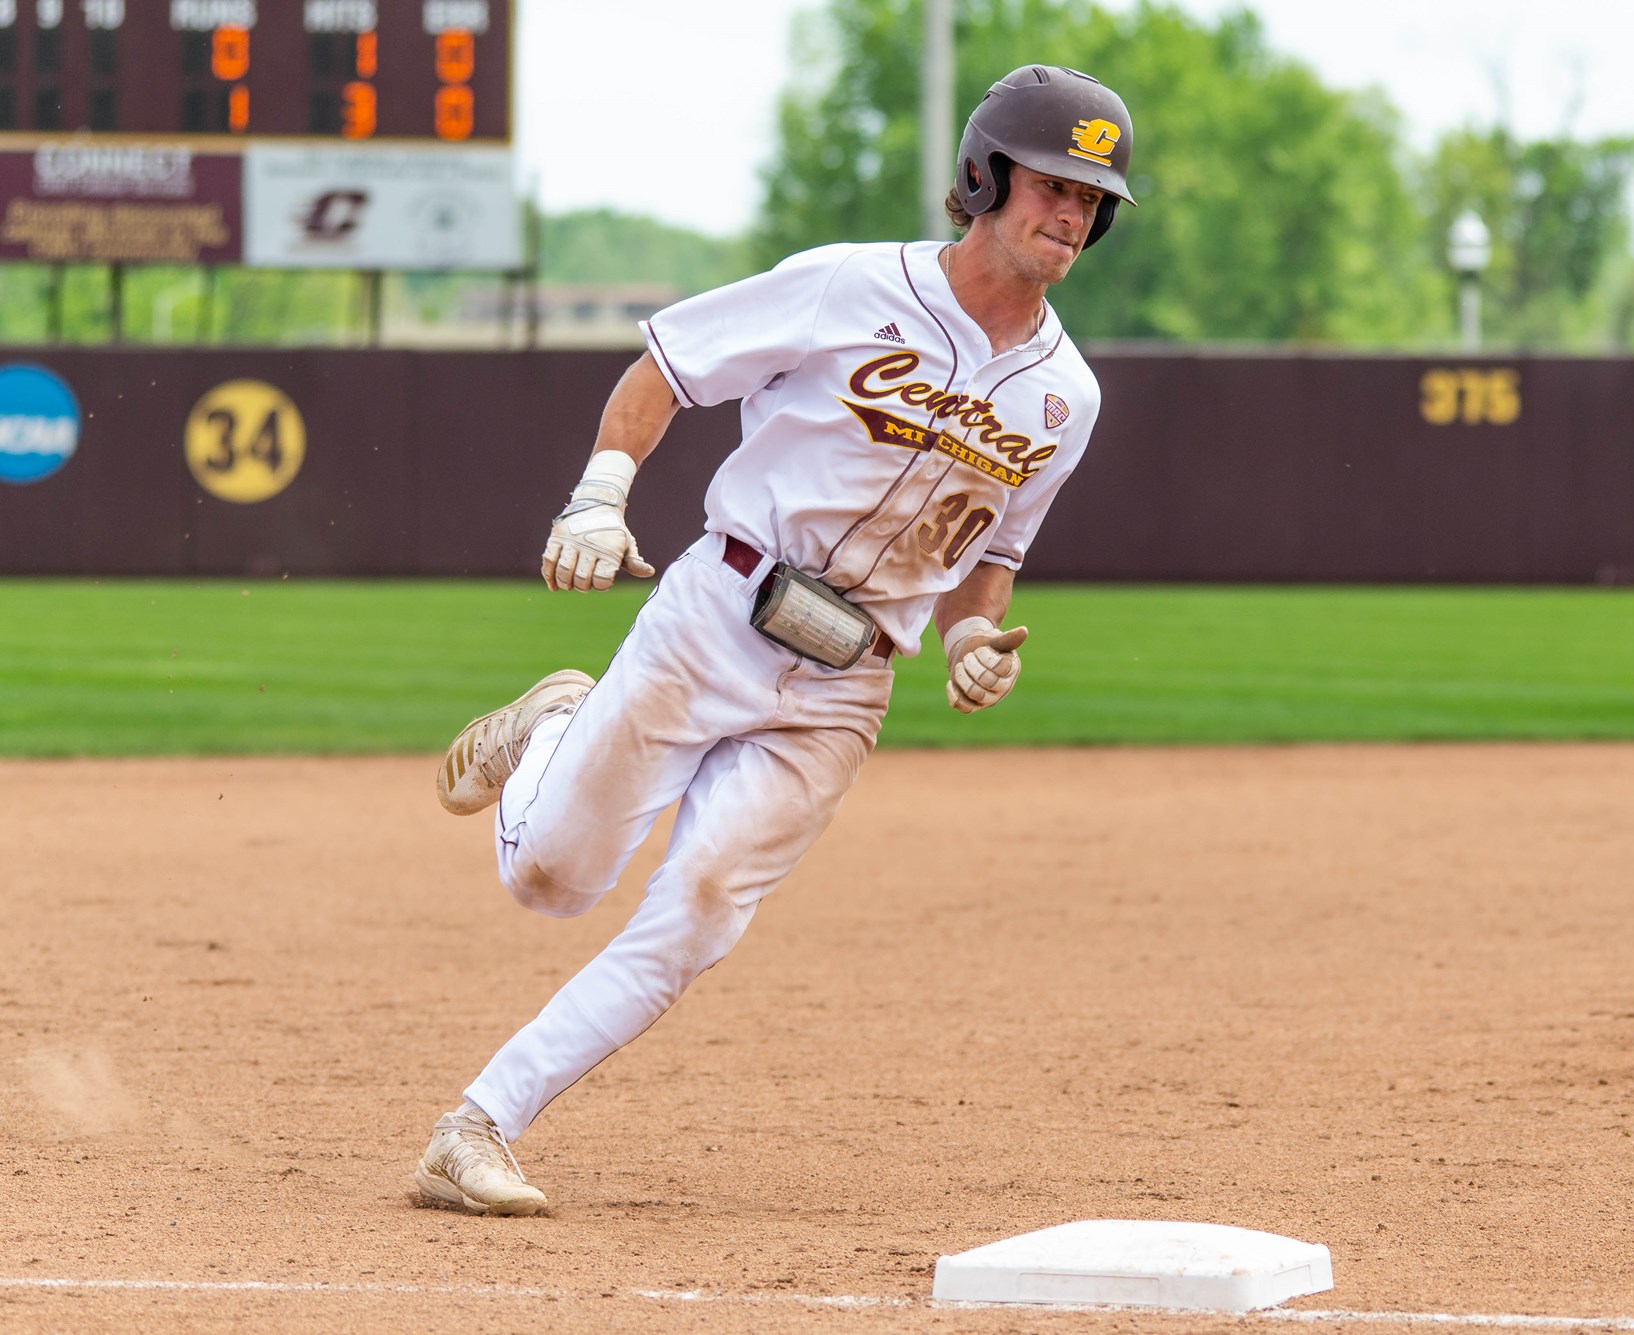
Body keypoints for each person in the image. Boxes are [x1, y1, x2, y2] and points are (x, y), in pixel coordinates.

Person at [412, 64, 1136, 1215]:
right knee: (551, 881)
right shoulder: (849, 286)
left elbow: (988, 558)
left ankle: (477, 1125)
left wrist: (967, 643)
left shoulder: (1068, 400)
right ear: (983, 177)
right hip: (716, 614)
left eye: (1093, 199)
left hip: (845, 688)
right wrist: (599, 497)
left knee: (696, 913)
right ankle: (553, 723)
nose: (1072, 214)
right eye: (1052, 183)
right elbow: (667, 366)